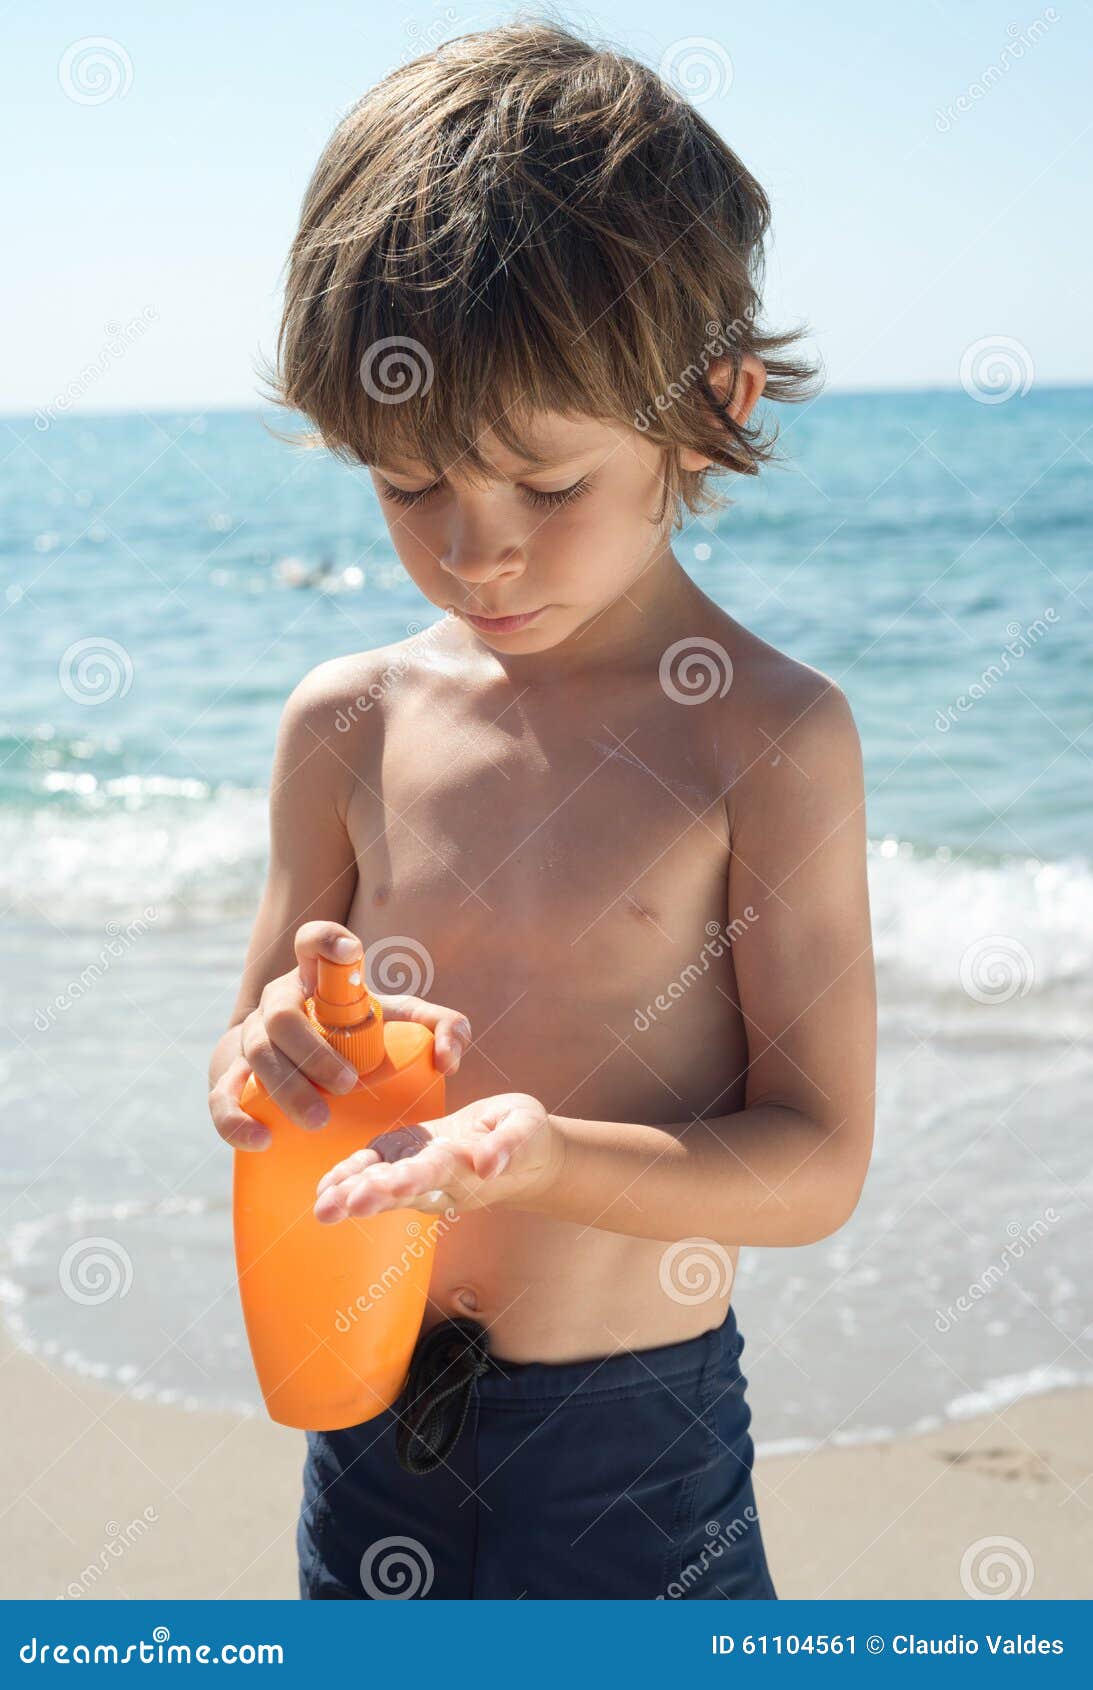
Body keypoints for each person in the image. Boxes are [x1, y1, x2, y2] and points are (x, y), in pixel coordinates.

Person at [208, 21, 876, 1601]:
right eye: (407, 483)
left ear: (705, 403)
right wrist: (261, 1061)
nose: (474, 549)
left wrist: (546, 1157)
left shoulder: (766, 737)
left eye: (545, 486)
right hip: (361, 1409)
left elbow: (815, 1160)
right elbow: (251, 1086)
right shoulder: (346, 722)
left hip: (630, 1450)